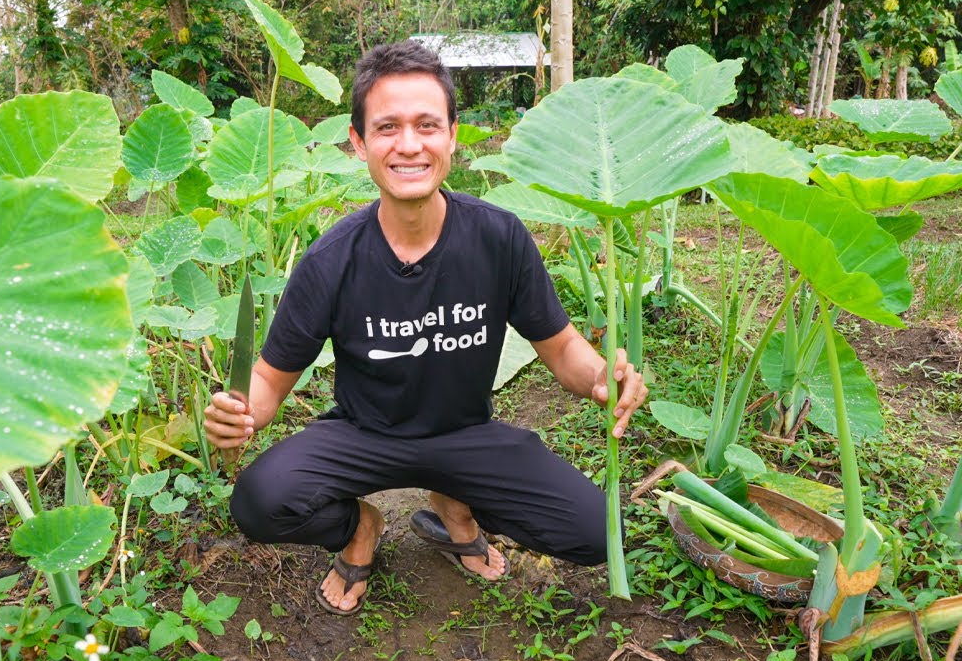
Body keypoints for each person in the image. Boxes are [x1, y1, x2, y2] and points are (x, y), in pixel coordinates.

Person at [203, 40, 648, 615]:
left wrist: (599, 377)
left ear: (453, 136)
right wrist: (237, 413)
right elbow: (268, 380)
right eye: (387, 127)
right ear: (359, 142)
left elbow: (561, 346)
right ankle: (360, 527)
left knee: (595, 533)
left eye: (426, 125)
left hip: (466, 434)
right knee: (260, 502)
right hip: (363, 436)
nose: (408, 145)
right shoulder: (330, 260)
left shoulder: (499, 238)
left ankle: (452, 504)